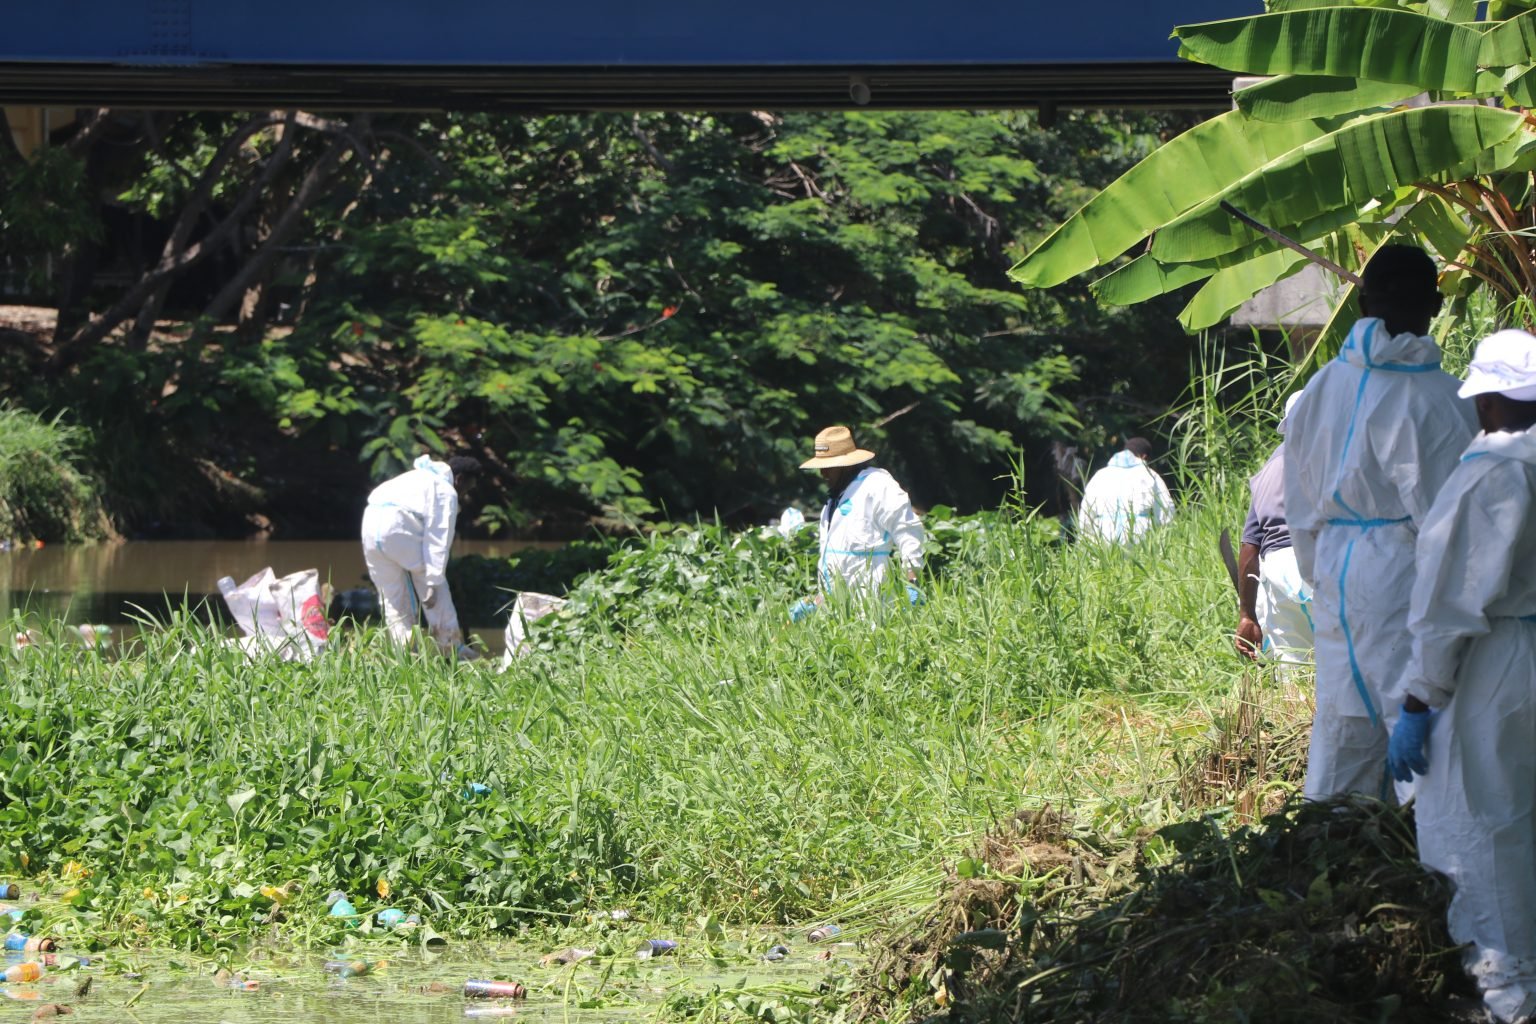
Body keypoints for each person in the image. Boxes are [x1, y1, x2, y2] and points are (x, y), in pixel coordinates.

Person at [1282, 244, 1477, 801]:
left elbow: (1299, 502)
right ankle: (1419, 844)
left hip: (1336, 572)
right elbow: (1457, 530)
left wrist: (1318, 575)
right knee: (1420, 722)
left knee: (1343, 722)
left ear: (1363, 304)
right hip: (1406, 574)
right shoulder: (1444, 398)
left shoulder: (1321, 387)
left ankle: (1328, 833)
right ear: (1435, 306)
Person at [1386, 328, 1536, 1024]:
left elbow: (1451, 598)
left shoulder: (1494, 471)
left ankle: (1507, 985)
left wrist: (1421, 696)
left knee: (1481, 818)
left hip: (1497, 659)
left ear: (1490, 401)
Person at [790, 425, 924, 619]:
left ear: (846, 465)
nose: (823, 474)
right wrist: (815, 602)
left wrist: (913, 582)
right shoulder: (832, 503)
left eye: (828, 468)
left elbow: (908, 530)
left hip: (875, 609)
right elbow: (837, 563)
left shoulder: (876, 486)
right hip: (841, 617)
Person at [361, 453, 482, 658]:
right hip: (397, 527)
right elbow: (438, 537)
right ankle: (452, 650)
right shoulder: (445, 490)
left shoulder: (416, 477)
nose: (464, 494)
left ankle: (405, 653)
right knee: (435, 587)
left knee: (392, 596)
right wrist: (433, 580)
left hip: (371, 527)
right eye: (467, 489)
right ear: (459, 479)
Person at [1234, 394, 1314, 672]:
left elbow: (1249, 547)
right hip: (1321, 560)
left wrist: (1247, 614)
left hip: (1278, 571)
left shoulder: (1268, 469)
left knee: (1294, 670)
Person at [1077, 437, 1173, 543]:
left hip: (1105, 540)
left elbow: (1086, 514)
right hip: (1140, 540)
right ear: (1144, 457)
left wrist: (1086, 541)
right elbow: (1166, 510)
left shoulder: (1100, 475)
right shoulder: (1150, 475)